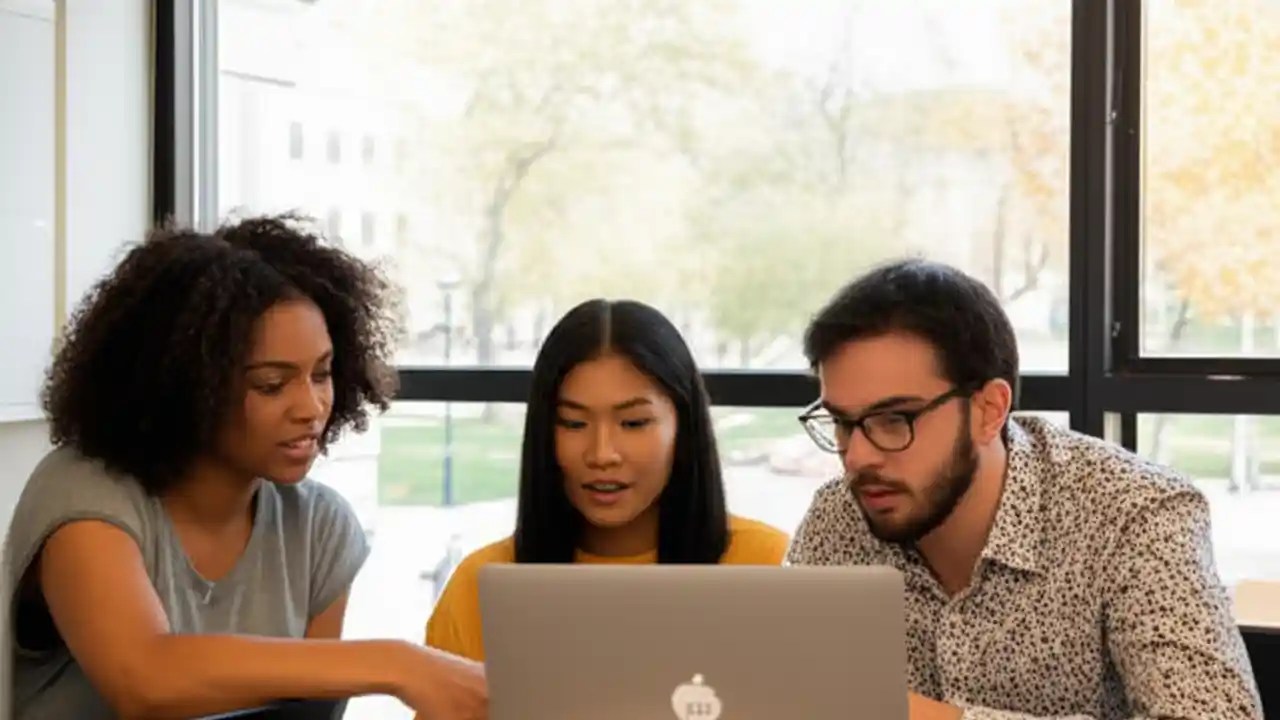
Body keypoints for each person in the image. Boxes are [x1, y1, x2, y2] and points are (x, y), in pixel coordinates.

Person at [3, 216, 486, 720]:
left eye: (321, 374)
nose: (311, 406)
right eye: (272, 384)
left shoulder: (319, 530)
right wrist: (397, 662)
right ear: (187, 387)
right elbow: (144, 678)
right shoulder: (85, 494)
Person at [786, 259, 1262, 720]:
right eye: (842, 422)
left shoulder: (1132, 513)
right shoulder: (838, 518)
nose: (857, 456)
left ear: (990, 410)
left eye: (894, 420)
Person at [424, 299, 789, 663]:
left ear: (684, 427)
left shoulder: (771, 568)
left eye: (633, 423)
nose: (602, 454)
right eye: (573, 423)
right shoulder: (481, 587)